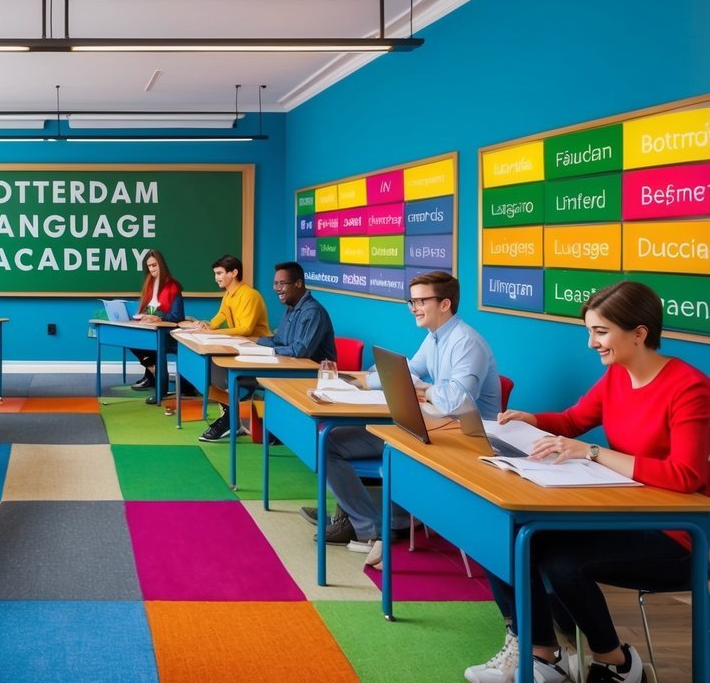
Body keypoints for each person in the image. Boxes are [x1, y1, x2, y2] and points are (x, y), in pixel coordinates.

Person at [465, 281, 709, 683]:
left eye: (600, 332)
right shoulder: (617, 376)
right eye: (590, 332)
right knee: (505, 536)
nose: (591, 343)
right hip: (627, 512)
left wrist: (593, 452)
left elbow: (686, 475)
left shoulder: (689, 387)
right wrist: (533, 420)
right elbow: (575, 420)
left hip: (679, 532)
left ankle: (617, 662)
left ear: (639, 333)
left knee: (564, 564)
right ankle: (542, 651)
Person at [302, 271, 500, 561]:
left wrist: (425, 389)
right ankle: (378, 521)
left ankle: (374, 526)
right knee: (329, 440)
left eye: (421, 301)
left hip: (461, 438)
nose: (414, 308)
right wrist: (358, 381)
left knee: (345, 443)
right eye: (412, 301)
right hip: (432, 425)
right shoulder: (435, 338)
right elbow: (410, 371)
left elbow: (456, 400)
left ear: (445, 304)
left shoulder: (466, 342)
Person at [181, 254, 271, 442]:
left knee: (218, 373)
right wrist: (205, 326)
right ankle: (230, 417)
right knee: (207, 373)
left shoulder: (250, 295)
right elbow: (219, 317)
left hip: (256, 349)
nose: (217, 278)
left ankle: (230, 418)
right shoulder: (228, 295)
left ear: (234, 272)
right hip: (238, 346)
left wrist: (213, 334)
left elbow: (246, 329)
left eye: (220, 273)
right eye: (215, 274)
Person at [128, 250, 185, 405]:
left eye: (154, 265)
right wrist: (144, 316)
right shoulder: (151, 285)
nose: (152, 269)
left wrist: (158, 318)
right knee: (130, 338)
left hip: (169, 333)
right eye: (149, 266)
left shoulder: (173, 286)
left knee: (153, 346)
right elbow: (151, 310)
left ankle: (158, 383)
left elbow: (177, 316)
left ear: (161, 265)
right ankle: (152, 370)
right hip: (154, 331)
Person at [257, 261, 336, 364]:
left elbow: (300, 351)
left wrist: (271, 350)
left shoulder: (313, 312)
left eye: (282, 283)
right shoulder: (291, 307)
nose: (276, 288)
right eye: (275, 283)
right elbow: (278, 340)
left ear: (298, 284)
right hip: (291, 366)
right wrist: (256, 343)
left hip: (314, 374)